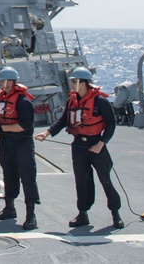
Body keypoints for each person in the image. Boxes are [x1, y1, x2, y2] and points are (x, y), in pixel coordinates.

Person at [36, 67, 124, 229]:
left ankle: (115, 214)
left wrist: (101, 143)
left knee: (106, 181)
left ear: (83, 83)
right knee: (82, 181)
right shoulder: (72, 101)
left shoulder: (100, 102)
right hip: (78, 146)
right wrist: (47, 133)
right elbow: (63, 121)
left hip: (96, 145)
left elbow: (111, 124)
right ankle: (83, 214)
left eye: (74, 81)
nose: (71, 84)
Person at [0, 66, 40, 230]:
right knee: (8, 174)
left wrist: (2, 129)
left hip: (22, 144)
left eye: (3, 81)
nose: (1, 84)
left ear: (11, 82)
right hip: (5, 144)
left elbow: (26, 125)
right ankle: (9, 208)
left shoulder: (23, 101)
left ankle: (31, 214)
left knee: (27, 177)